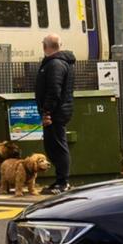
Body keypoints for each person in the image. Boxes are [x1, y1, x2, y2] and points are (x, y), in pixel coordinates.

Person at [34, 35, 77, 193]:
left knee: (58, 146)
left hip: (55, 114)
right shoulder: (59, 62)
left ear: (45, 46)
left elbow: (54, 90)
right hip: (58, 111)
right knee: (53, 146)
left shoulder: (55, 64)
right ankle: (60, 180)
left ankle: (63, 182)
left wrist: (47, 112)